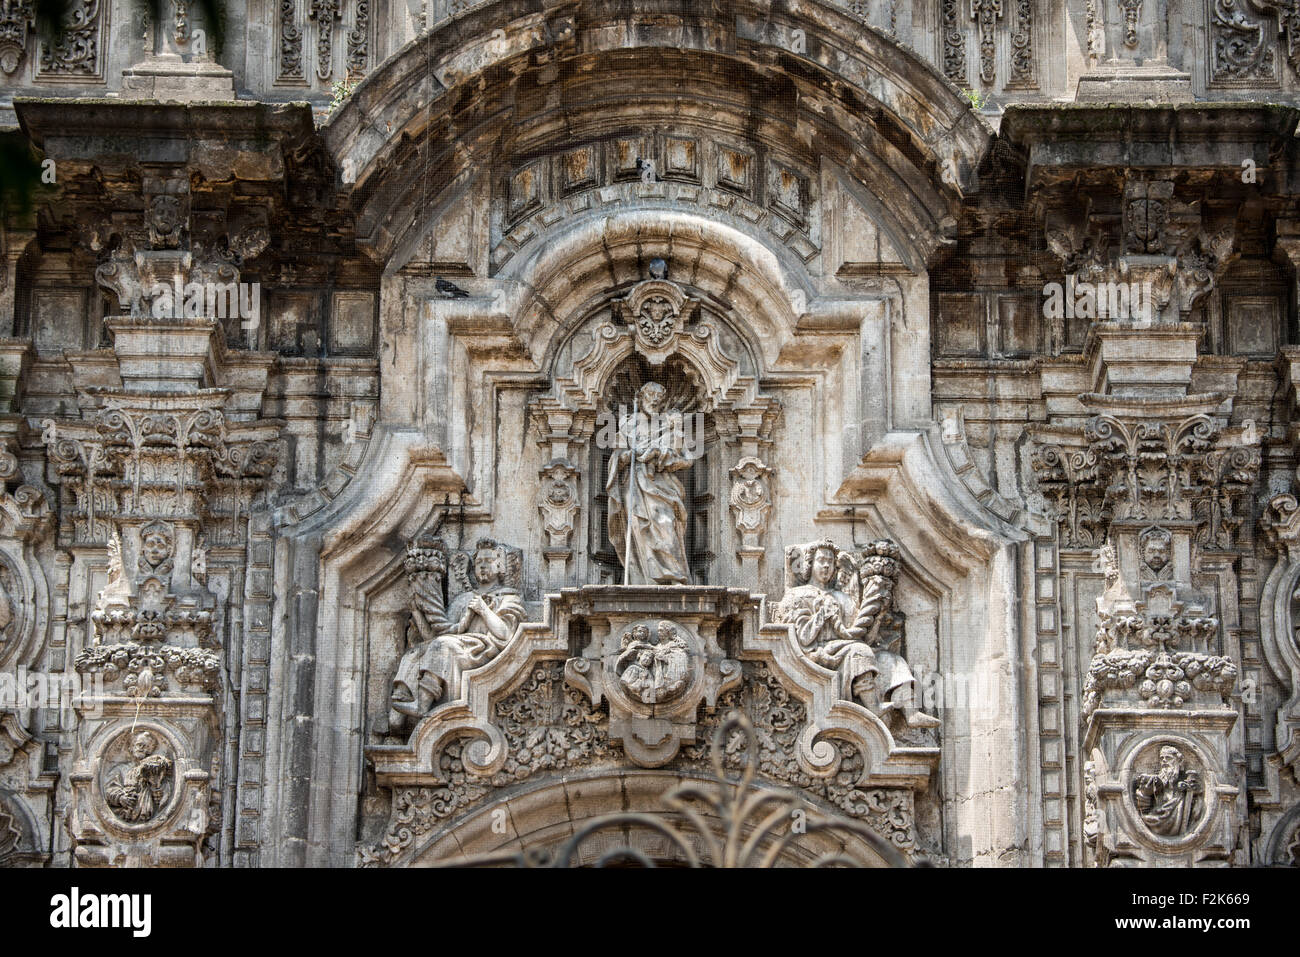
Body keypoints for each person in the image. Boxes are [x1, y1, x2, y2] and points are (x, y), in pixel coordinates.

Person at [775, 541, 939, 729]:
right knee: (859, 651)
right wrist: (821, 615)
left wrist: (877, 618)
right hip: (817, 654)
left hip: (844, 650)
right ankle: (874, 707)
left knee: (890, 660)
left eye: (830, 562)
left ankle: (911, 713)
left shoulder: (842, 598)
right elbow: (801, 638)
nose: (827, 566)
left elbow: (861, 638)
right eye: (821, 560)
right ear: (810, 564)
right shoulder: (798, 596)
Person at [389, 539, 526, 729]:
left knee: (444, 646)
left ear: (500, 565)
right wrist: (417, 613)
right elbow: (437, 635)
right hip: (460, 646)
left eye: (488, 561)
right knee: (415, 653)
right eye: (479, 563)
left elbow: (505, 635)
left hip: (482, 650)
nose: (483, 566)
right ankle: (399, 711)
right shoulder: (464, 599)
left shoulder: (508, 597)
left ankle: (422, 704)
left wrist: (484, 610)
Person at [606, 382, 691, 585]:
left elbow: (686, 459)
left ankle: (673, 576)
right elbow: (616, 456)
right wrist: (629, 455)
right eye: (650, 395)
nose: (654, 400)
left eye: (658, 397)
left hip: (663, 485)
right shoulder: (627, 424)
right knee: (638, 528)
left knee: (666, 524)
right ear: (640, 398)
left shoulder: (667, 426)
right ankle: (642, 580)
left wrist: (663, 452)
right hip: (634, 485)